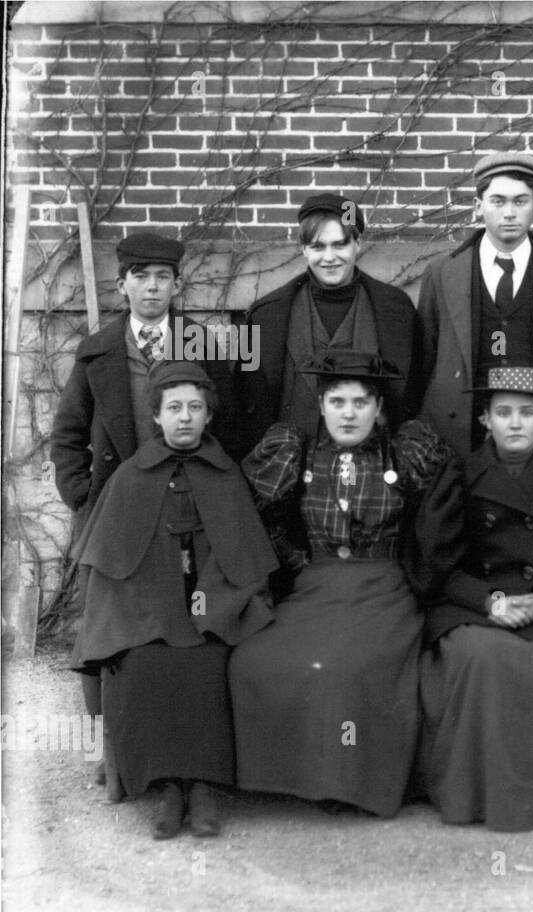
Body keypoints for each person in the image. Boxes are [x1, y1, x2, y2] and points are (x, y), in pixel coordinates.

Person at [229, 350, 456, 818]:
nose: (348, 413)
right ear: (321, 404)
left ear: (379, 409)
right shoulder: (296, 450)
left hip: (385, 588)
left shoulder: (406, 451)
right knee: (255, 659)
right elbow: (250, 515)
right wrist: (295, 561)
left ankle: (347, 782)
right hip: (315, 586)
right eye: (338, 402)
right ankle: (287, 777)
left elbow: (439, 523)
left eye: (360, 402)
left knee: (349, 667)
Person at [70, 362, 277, 839]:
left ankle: (202, 786)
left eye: (195, 408)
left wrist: (210, 609)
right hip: (146, 612)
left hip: (215, 610)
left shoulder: (225, 476)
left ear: (208, 416)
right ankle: (166, 788)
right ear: (157, 416)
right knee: (146, 662)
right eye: (175, 408)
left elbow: (242, 563)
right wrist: (158, 614)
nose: (185, 417)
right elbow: (111, 574)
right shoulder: (130, 477)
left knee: (205, 663)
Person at [51, 231, 198, 790]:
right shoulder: (97, 352)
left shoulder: (204, 346)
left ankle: (171, 747)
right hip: (112, 509)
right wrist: (83, 497)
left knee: (177, 625)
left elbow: (225, 427)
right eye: (142, 276)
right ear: (123, 285)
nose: (153, 287)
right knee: (101, 625)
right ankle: (105, 747)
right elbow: (67, 436)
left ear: (177, 284)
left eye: (163, 277)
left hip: (181, 504)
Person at [416, 367, 533, 831]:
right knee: (482, 656)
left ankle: (529, 795)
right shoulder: (459, 475)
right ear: (485, 419)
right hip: (473, 604)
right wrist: (490, 601)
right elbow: (438, 565)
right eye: (504, 412)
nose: (515, 423)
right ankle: (470, 794)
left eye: (527, 412)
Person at [417, 152, 533, 479]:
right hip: (461, 437)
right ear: (478, 206)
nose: (509, 213)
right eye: (497, 201)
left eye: (520, 201)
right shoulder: (442, 273)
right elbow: (424, 360)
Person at [228, 193, 425, 460]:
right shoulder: (263, 316)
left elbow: (414, 396)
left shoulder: (398, 311)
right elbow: (243, 399)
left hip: (372, 473)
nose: (329, 257)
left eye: (339, 244)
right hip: (289, 474)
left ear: (357, 243)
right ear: (304, 249)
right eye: (318, 246)